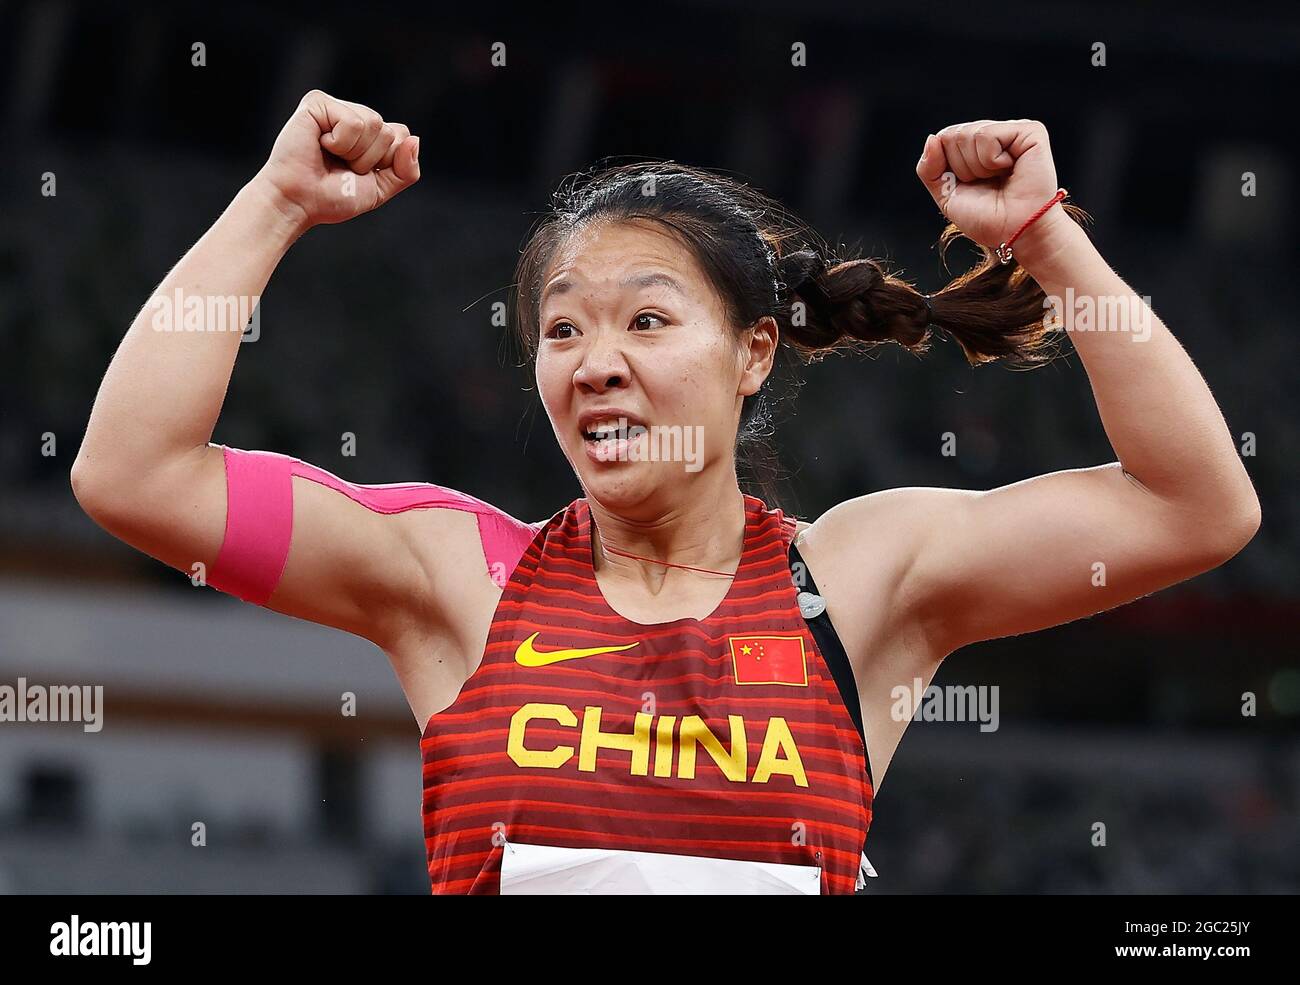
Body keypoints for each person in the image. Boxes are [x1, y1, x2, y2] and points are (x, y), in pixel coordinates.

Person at [70, 92, 1261, 894]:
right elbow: (136, 473)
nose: (595, 360)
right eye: (561, 329)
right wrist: (275, 203)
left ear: (752, 354)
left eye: (647, 319)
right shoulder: (454, 577)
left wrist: (1049, 240)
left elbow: (1194, 506)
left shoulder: (857, 585)